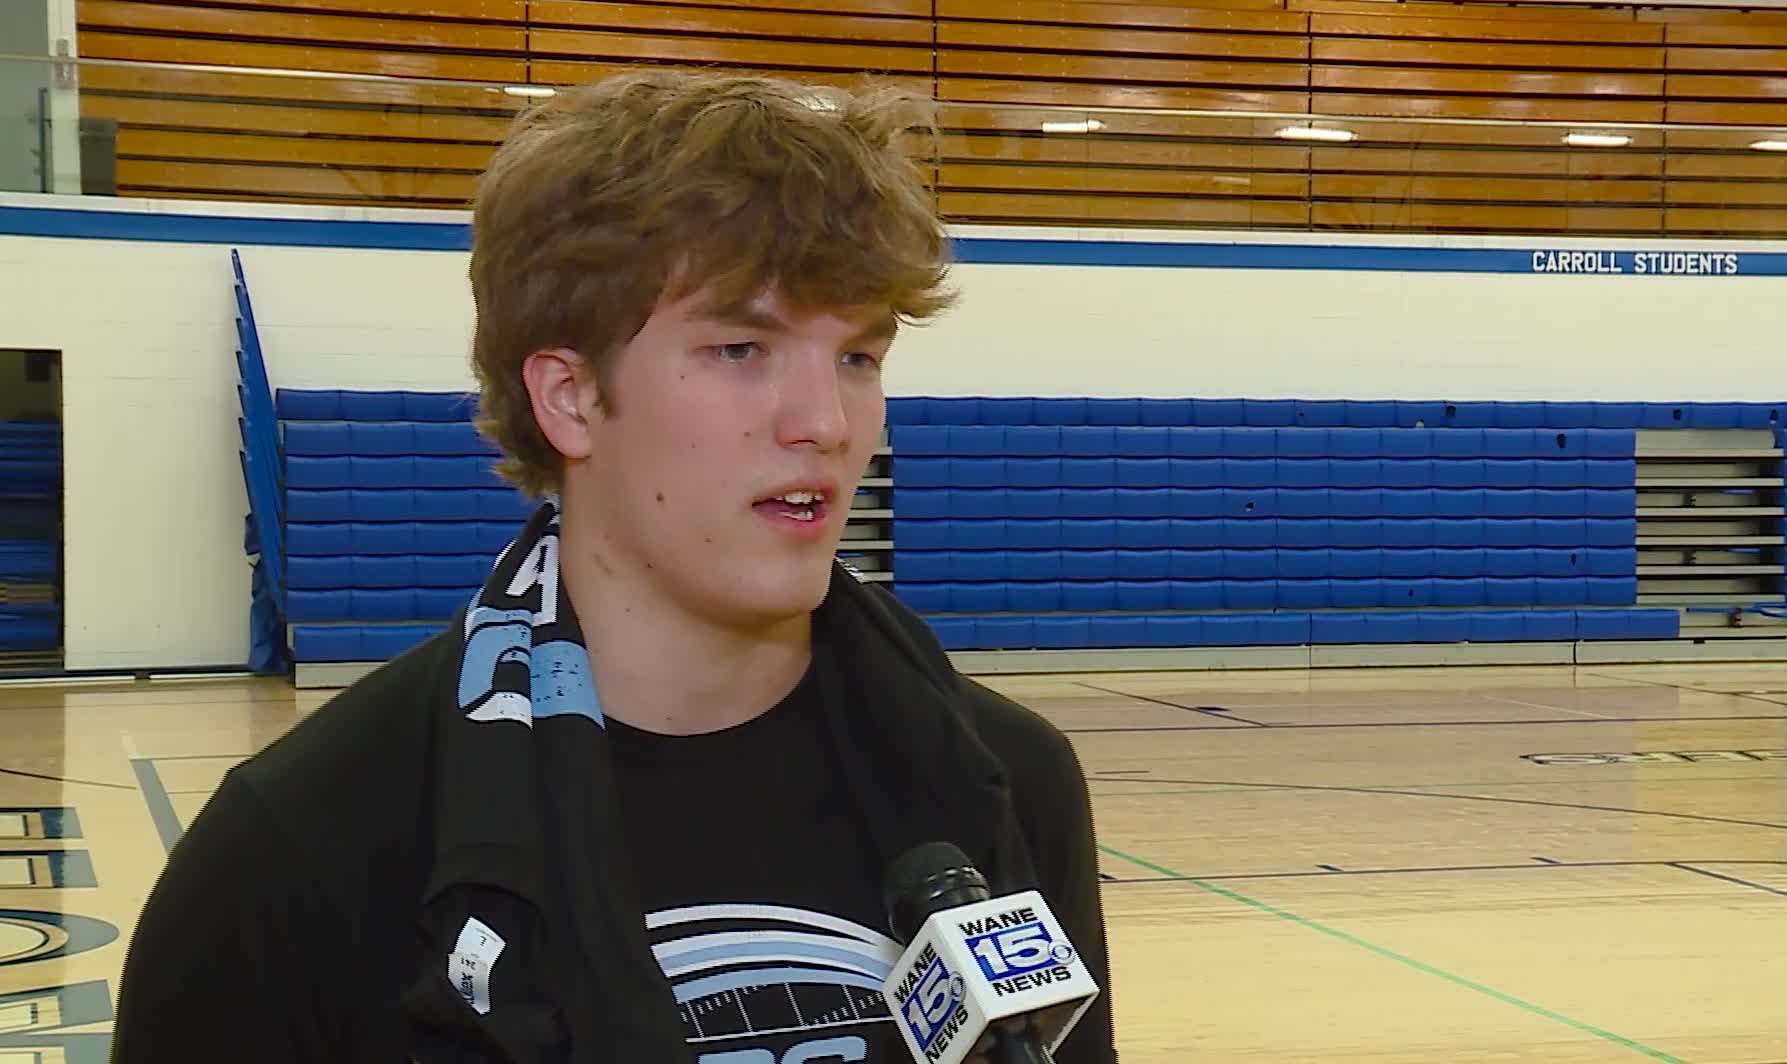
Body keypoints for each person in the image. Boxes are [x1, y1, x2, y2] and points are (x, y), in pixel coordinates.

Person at [111, 70, 1117, 1064]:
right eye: (740, 348)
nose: (827, 423)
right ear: (570, 398)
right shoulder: (301, 850)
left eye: (859, 356)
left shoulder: (1004, 786)